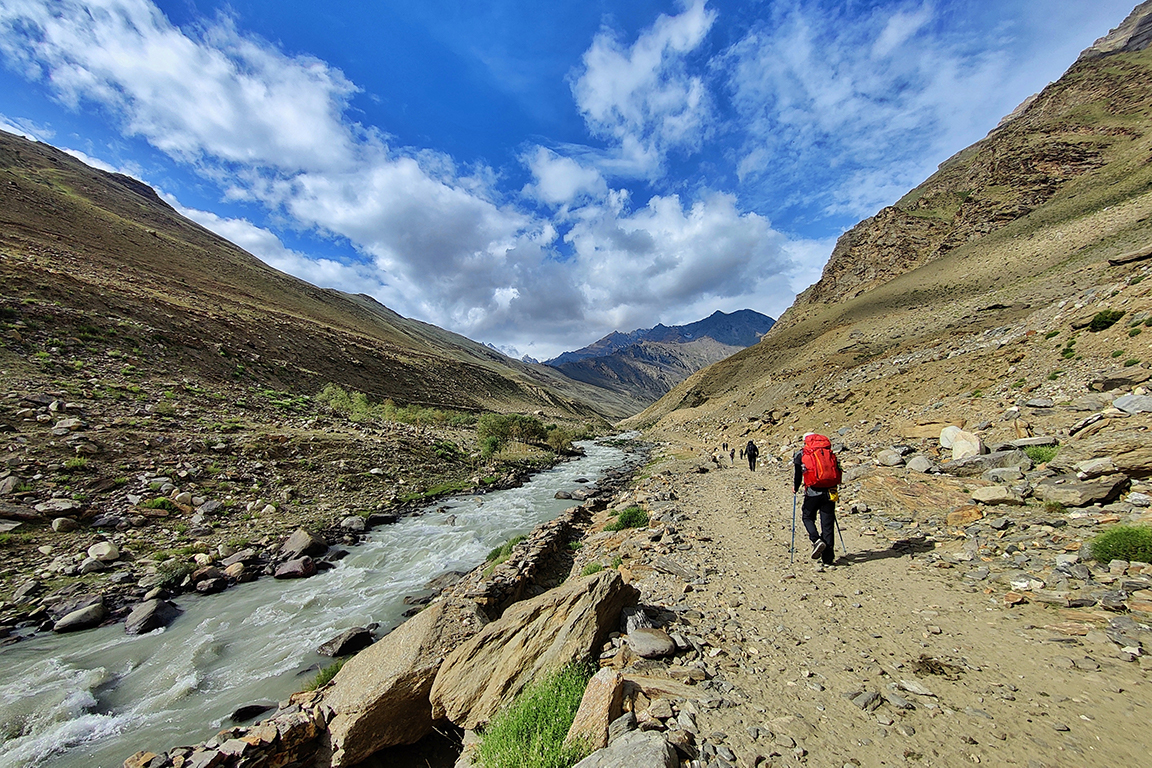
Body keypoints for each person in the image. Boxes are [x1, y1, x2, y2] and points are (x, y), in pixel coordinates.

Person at [793, 433, 840, 569]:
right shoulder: (828, 452)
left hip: (813, 492)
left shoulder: (802, 453)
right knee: (828, 524)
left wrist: (796, 488)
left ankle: (816, 540)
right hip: (830, 491)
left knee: (807, 516)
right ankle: (828, 558)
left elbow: (798, 474)